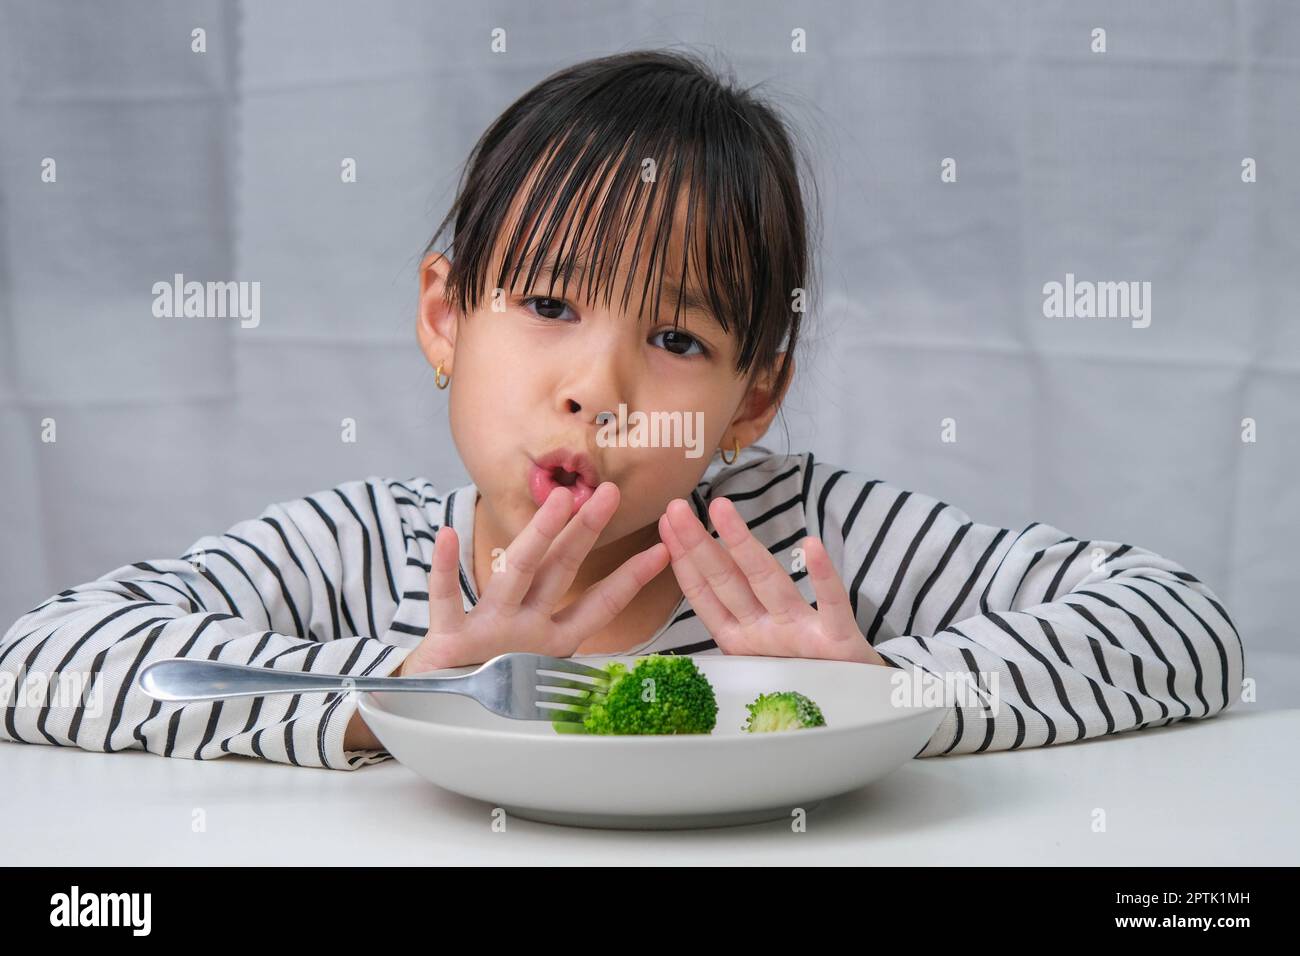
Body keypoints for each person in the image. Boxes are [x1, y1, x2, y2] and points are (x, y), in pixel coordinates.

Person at [0, 49, 1243, 771]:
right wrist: (404, 694)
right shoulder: (371, 550)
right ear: (445, 317)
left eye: (674, 337)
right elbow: (39, 659)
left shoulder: (794, 552)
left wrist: (876, 695)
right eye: (547, 301)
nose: (597, 386)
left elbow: (1183, 626)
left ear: (752, 396)